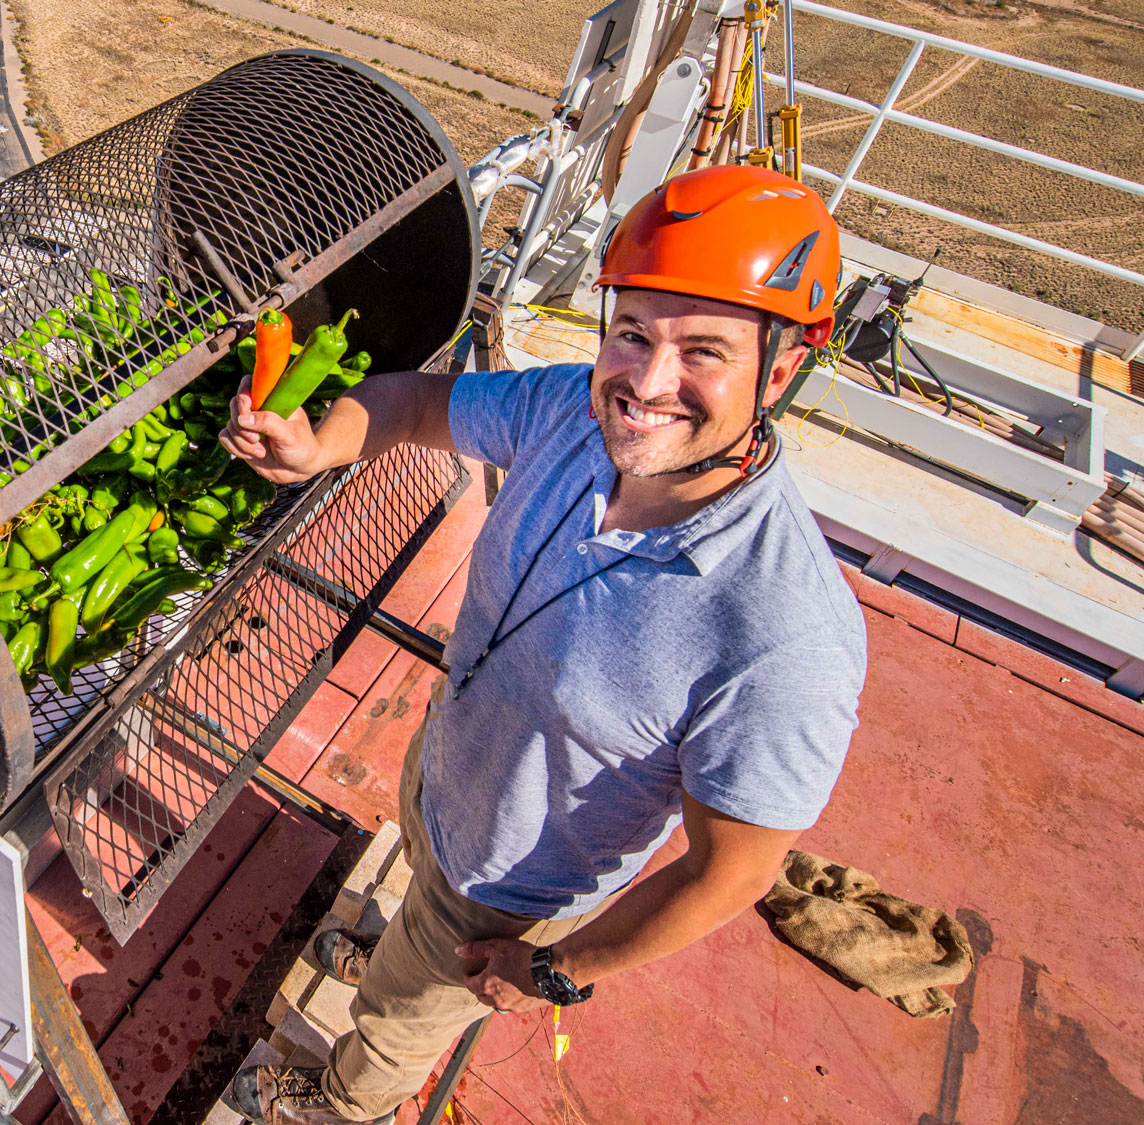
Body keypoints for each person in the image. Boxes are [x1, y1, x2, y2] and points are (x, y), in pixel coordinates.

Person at [218, 165, 868, 1125]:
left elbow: (729, 871)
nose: (647, 384)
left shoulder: (782, 635)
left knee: (397, 1023)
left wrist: (557, 968)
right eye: (633, 332)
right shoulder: (572, 409)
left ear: (781, 369)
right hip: (448, 772)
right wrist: (321, 445)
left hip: (511, 892)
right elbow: (412, 403)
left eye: (705, 351)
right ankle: (399, 941)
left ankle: (338, 1101)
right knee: (414, 908)